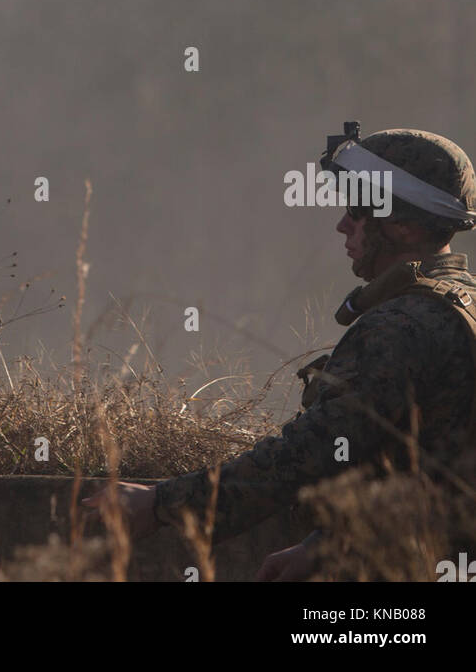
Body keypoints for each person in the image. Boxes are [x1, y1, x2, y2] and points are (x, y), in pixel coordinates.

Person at [85, 124, 476, 581]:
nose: (342, 224)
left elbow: (314, 453)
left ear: (403, 225)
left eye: (357, 209)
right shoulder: (458, 305)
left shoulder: (402, 325)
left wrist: (162, 504)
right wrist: (326, 546)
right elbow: (432, 475)